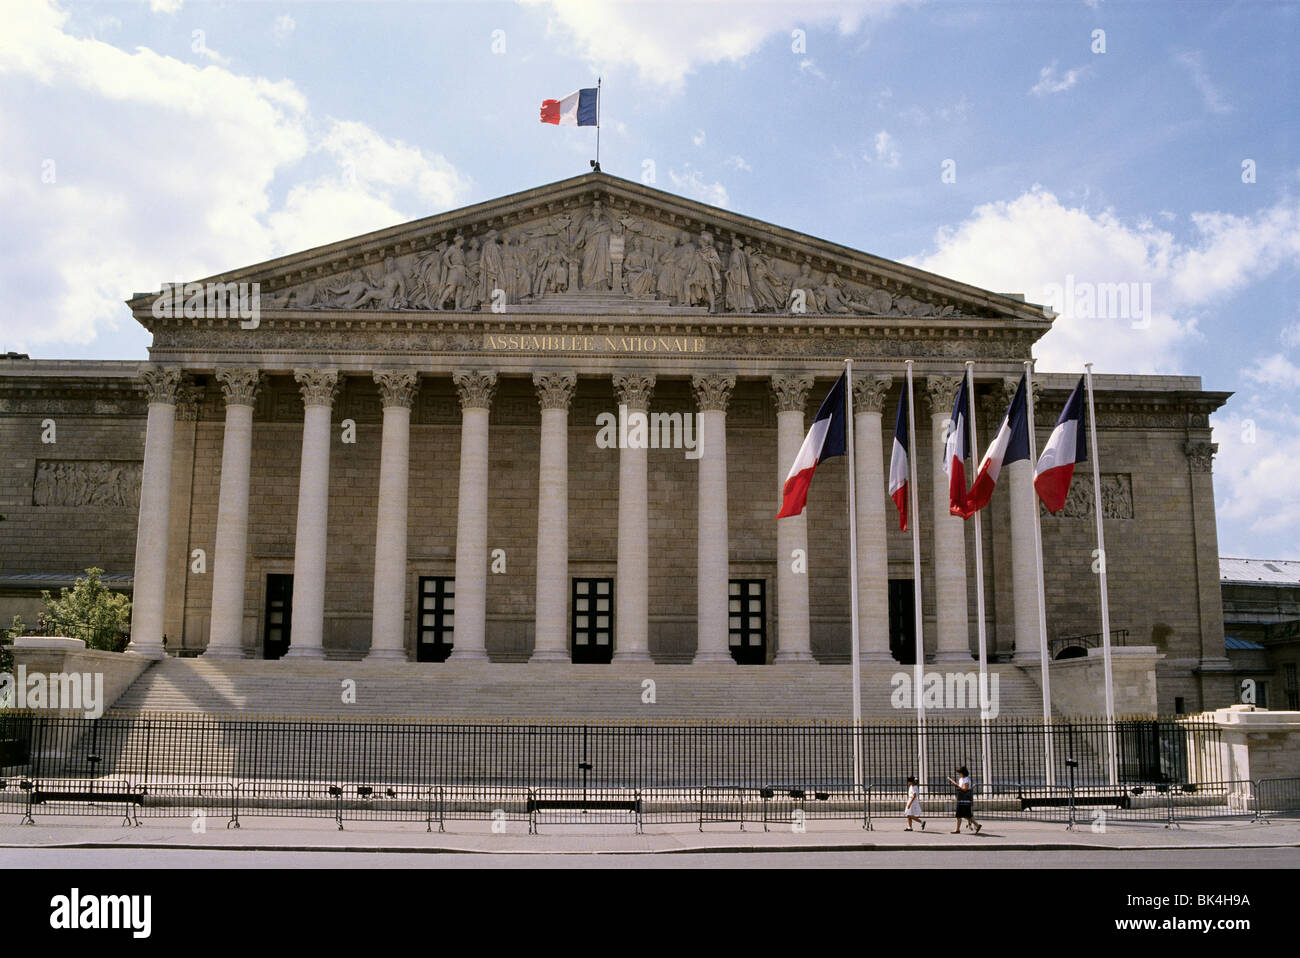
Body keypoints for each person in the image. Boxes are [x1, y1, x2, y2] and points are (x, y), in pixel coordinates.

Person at [947, 765, 982, 833]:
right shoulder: (962, 779)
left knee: (963, 815)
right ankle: (976, 825)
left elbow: (965, 789)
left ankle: (959, 829)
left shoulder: (966, 779)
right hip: (961, 798)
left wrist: (957, 786)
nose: (959, 774)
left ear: (963, 773)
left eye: (960, 773)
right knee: (962, 815)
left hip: (964, 799)